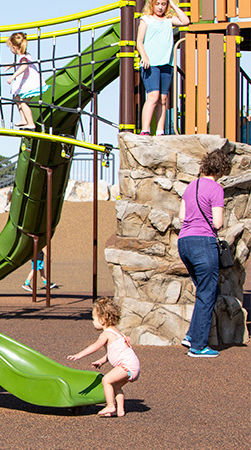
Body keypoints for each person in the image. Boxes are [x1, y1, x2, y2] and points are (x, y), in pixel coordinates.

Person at [177, 148, 232, 358]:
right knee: (208, 293)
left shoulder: (191, 186)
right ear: (221, 169)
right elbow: (218, 222)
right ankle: (198, 346)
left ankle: (192, 335)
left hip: (184, 242)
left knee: (204, 290)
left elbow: (182, 216)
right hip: (203, 242)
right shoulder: (216, 188)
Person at [67, 297, 140, 417]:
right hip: (133, 367)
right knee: (116, 386)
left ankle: (110, 406)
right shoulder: (117, 331)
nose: (92, 321)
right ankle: (120, 410)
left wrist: (79, 355)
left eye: (93, 318)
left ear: (102, 320)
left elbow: (95, 346)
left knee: (106, 380)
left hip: (126, 366)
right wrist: (102, 360)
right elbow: (115, 351)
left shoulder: (106, 334)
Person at [136, 0, 189, 136]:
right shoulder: (146, 19)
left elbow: (185, 21)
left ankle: (160, 131)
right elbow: (139, 42)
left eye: (163, 4)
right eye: (158, 4)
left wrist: (173, 5)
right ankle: (145, 130)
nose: (160, 7)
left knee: (163, 98)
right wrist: (144, 56)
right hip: (151, 63)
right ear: (152, 4)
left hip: (167, 63)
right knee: (153, 96)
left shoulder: (168, 19)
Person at [5, 32, 45, 130]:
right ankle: (24, 120)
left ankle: (31, 123)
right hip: (26, 83)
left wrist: (12, 76)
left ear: (14, 47)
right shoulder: (24, 56)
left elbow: (24, 66)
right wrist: (12, 65)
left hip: (30, 84)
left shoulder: (23, 58)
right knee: (17, 98)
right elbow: (20, 63)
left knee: (23, 102)